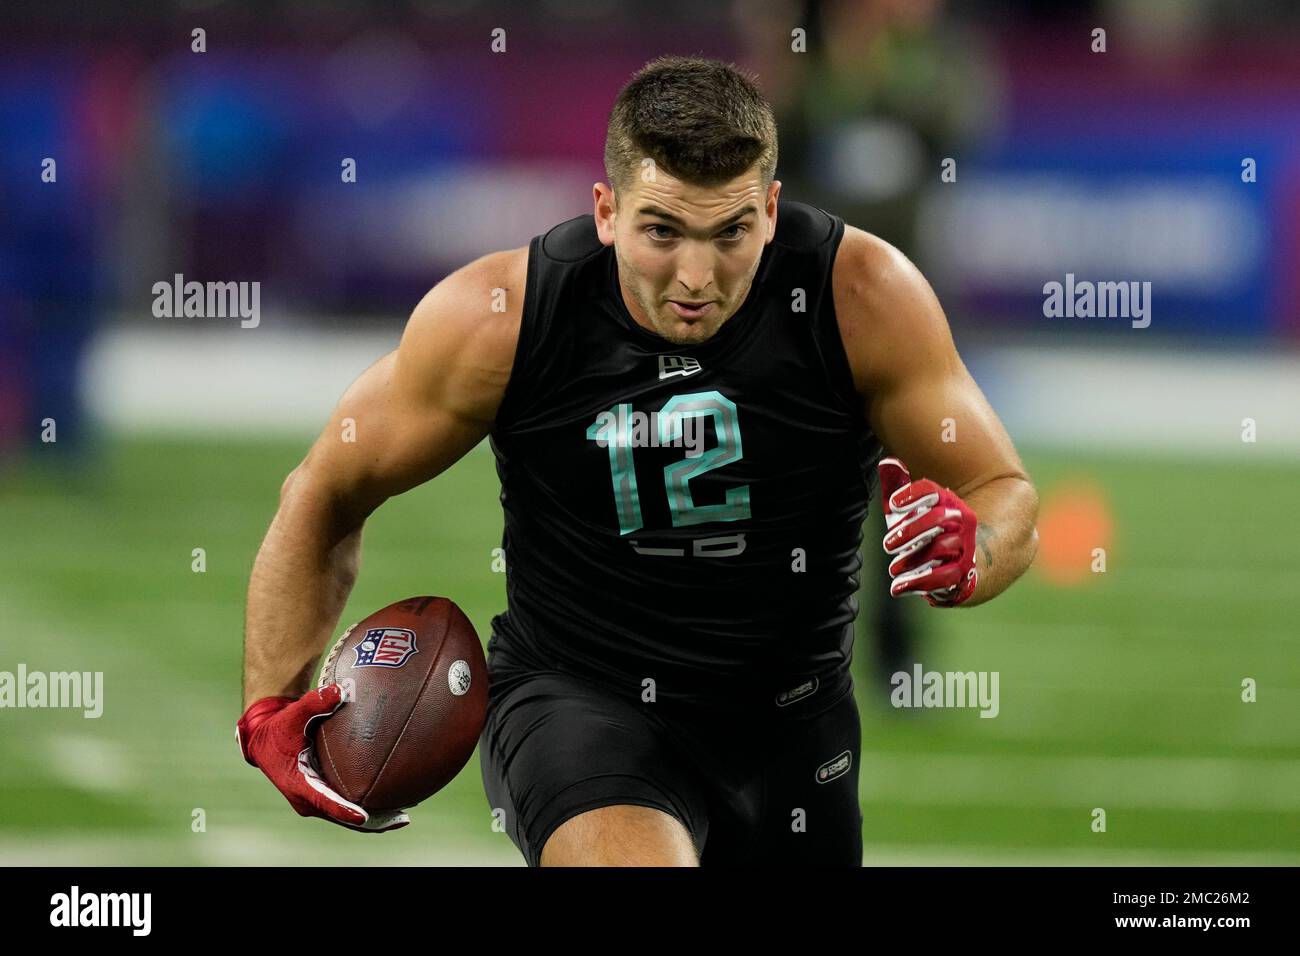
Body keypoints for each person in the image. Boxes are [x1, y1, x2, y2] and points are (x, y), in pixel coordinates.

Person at [237, 55, 1038, 866]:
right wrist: (269, 703)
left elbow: (1003, 490)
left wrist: (978, 548)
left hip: (796, 722)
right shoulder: (503, 318)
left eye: (729, 233)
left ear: (769, 208)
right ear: (607, 211)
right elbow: (326, 489)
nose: (696, 276)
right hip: (579, 706)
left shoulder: (862, 295)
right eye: (663, 231)